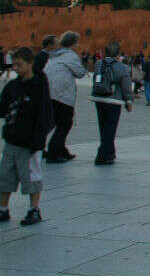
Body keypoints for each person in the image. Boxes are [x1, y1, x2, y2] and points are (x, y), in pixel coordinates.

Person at [0, 47, 54, 226]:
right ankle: (3, 209)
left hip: (30, 142)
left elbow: (46, 116)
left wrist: (38, 140)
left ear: (30, 64)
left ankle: (34, 209)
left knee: (31, 177)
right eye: (14, 65)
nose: (15, 68)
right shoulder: (12, 86)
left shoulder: (39, 87)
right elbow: (3, 107)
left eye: (19, 65)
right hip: (12, 140)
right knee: (5, 176)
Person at [42, 31, 87, 163]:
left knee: (53, 121)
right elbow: (80, 73)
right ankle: (54, 152)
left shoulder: (53, 54)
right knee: (65, 123)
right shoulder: (70, 56)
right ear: (74, 43)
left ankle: (57, 150)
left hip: (49, 92)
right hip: (62, 95)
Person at [90, 42, 133, 165]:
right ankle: (102, 156)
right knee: (110, 128)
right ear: (118, 54)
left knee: (103, 127)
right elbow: (126, 87)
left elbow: (95, 79)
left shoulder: (99, 63)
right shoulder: (122, 67)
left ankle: (110, 152)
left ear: (105, 52)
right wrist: (128, 101)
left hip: (99, 99)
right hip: (113, 100)